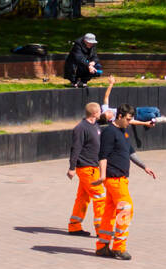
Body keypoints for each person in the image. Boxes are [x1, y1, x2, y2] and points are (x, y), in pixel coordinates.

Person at [96, 105, 157, 260]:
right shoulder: (109, 132)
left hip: (120, 179)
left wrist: (144, 166)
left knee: (109, 212)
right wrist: (102, 175)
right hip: (114, 179)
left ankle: (102, 246)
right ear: (120, 116)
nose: (130, 122)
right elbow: (102, 155)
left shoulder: (122, 131)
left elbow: (130, 152)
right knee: (126, 209)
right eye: (128, 119)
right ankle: (119, 247)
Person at [66, 101, 106, 236]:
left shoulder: (95, 125)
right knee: (100, 197)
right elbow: (75, 148)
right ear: (94, 113)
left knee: (83, 197)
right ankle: (101, 230)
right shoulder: (81, 128)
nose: (101, 112)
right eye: (99, 111)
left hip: (93, 167)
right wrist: (72, 168)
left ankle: (74, 226)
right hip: (87, 169)